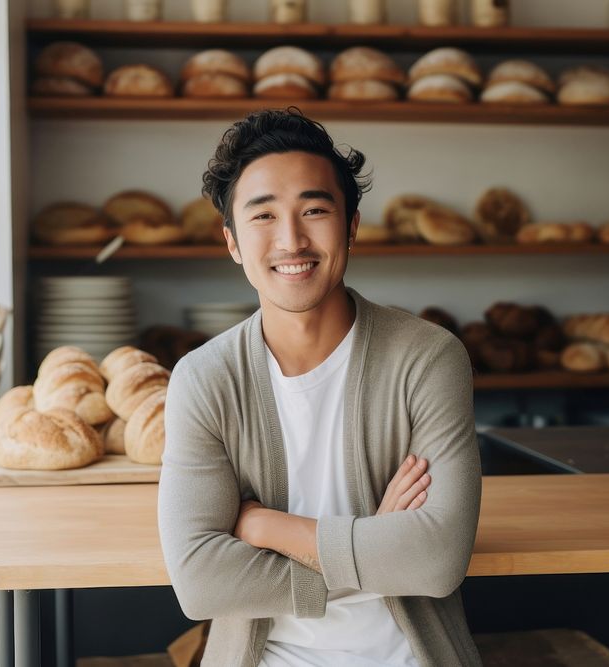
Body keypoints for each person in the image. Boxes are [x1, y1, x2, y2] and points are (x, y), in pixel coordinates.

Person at [157, 108, 482, 666]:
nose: (291, 239)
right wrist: (376, 548)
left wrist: (266, 526)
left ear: (351, 227)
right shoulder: (204, 379)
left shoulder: (427, 358)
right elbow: (200, 583)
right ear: (232, 242)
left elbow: (435, 560)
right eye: (264, 215)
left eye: (314, 210)